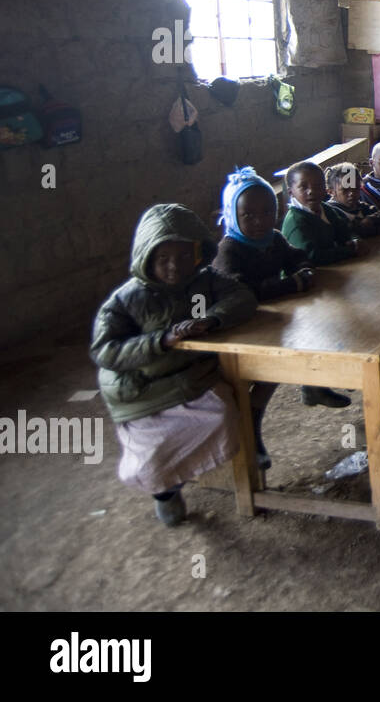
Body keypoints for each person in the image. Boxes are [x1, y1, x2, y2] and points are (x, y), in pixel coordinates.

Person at [91, 203, 257, 526]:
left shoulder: (203, 280)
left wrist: (211, 319)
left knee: (222, 415)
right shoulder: (126, 299)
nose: (174, 268)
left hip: (190, 378)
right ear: (146, 257)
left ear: (197, 253)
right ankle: (166, 492)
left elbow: (242, 297)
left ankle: (177, 478)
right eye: (163, 259)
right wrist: (160, 341)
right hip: (142, 389)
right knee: (150, 461)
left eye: (184, 257)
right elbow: (106, 351)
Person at [212, 167, 350, 449]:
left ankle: (313, 386)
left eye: (266, 212)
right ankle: (251, 437)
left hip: (269, 320)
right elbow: (242, 293)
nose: (259, 221)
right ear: (232, 215)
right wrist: (290, 285)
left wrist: (303, 271)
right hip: (236, 332)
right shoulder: (229, 251)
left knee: (313, 327)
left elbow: (297, 257)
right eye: (248, 215)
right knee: (265, 379)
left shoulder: (272, 239)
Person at [282, 161, 363, 265]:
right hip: (306, 277)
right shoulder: (296, 221)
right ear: (291, 193)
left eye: (318, 185)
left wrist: (355, 240)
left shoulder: (325, 208)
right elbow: (312, 257)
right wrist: (349, 251)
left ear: (325, 188)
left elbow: (344, 230)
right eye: (303, 186)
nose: (311, 191)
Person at [325, 162, 380, 237]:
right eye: (345, 190)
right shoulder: (330, 212)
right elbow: (347, 234)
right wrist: (364, 225)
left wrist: (374, 218)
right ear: (330, 192)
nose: (351, 193)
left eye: (356, 188)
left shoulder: (360, 206)